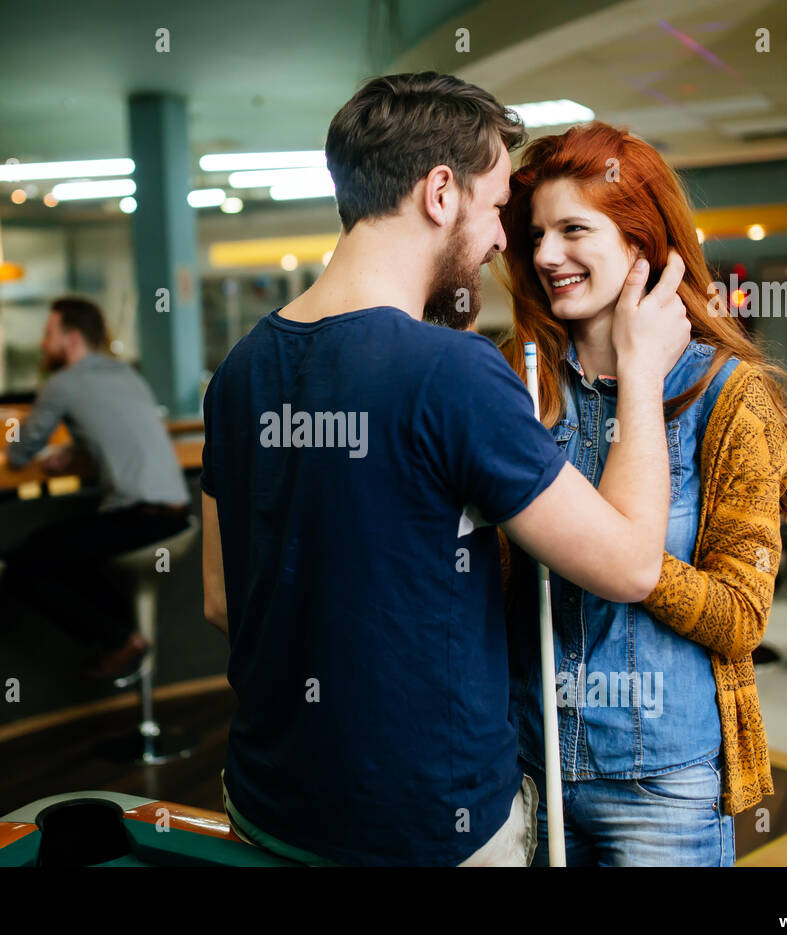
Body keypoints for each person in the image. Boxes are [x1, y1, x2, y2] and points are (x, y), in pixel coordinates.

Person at [199, 72, 692, 867]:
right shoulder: (453, 372)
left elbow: (223, 601)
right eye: (498, 207)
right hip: (430, 831)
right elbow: (633, 565)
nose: (506, 240)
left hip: (264, 811)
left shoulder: (239, 371)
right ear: (439, 193)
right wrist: (639, 374)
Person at [497, 121, 787, 866]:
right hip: (524, 769)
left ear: (641, 242)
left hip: (661, 786)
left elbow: (741, 617)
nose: (546, 255)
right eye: (536, 233)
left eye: (574, 229)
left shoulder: (730, 398)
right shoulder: (516, 382)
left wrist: (605, 549)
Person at [7, 297, 190, 680]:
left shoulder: (62, 383)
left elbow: (19, 453)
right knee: (73, 552)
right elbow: (119, 427)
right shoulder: (127, 375)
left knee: (26, 561)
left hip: (139, 517)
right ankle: (125, 636)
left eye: (48, 333)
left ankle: (121, 639)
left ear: (71, 338)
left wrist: (58, 451)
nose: (43, 344)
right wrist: (76, 449)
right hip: (178, 516)